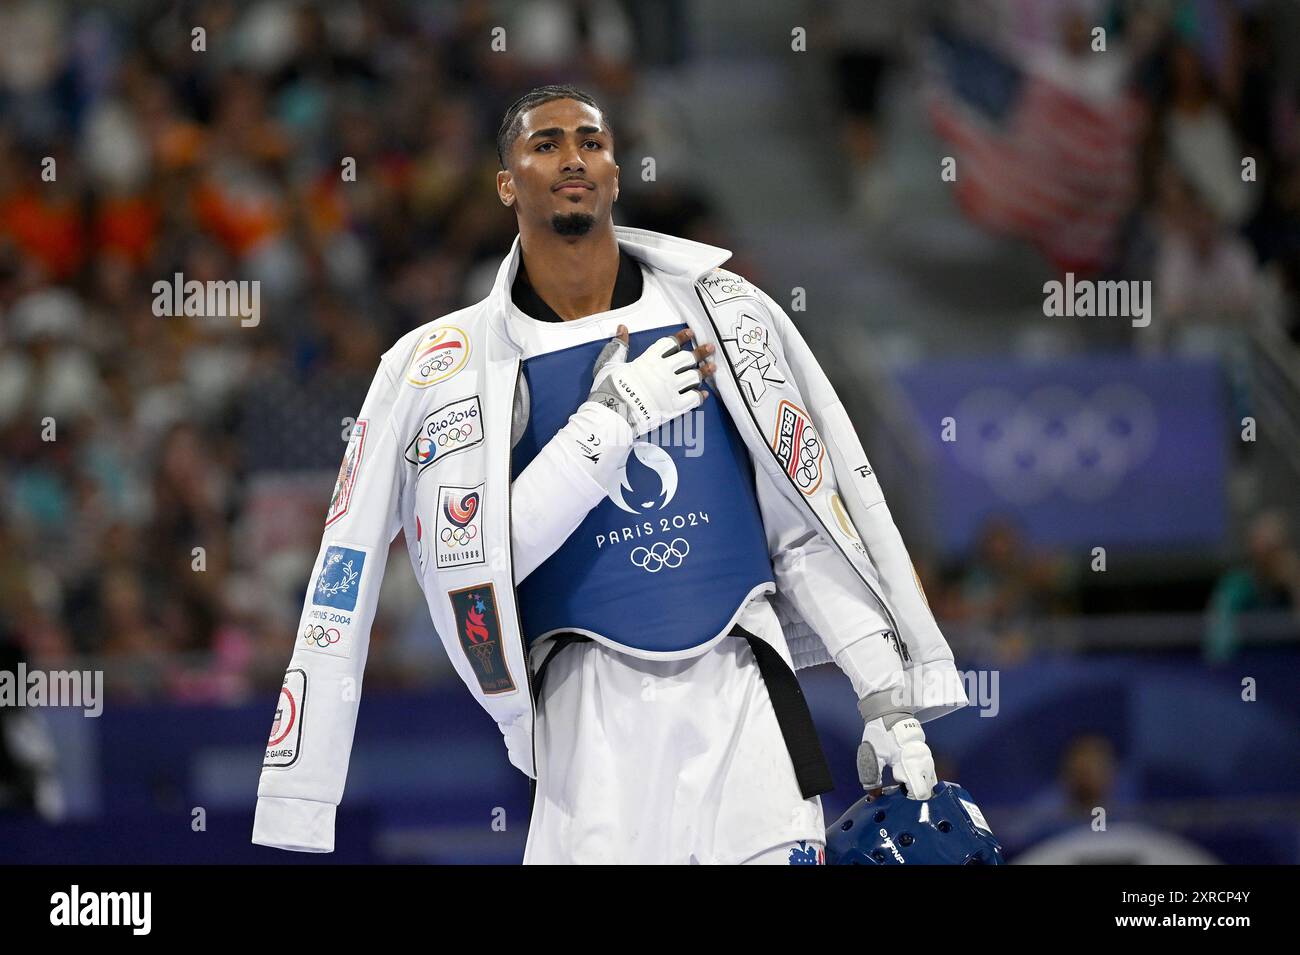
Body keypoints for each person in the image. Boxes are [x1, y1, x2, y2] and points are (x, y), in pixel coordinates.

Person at [251, 85, 967, 864]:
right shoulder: (437, 368)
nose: (573, 158)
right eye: (546, 143)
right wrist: (613, 420)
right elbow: (471, 562)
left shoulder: (726, 315)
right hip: (586, 718)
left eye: (591, 142)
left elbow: (808, 523)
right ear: (505, 181)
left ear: (617, 171)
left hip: (748, 695)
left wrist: (888, 697)